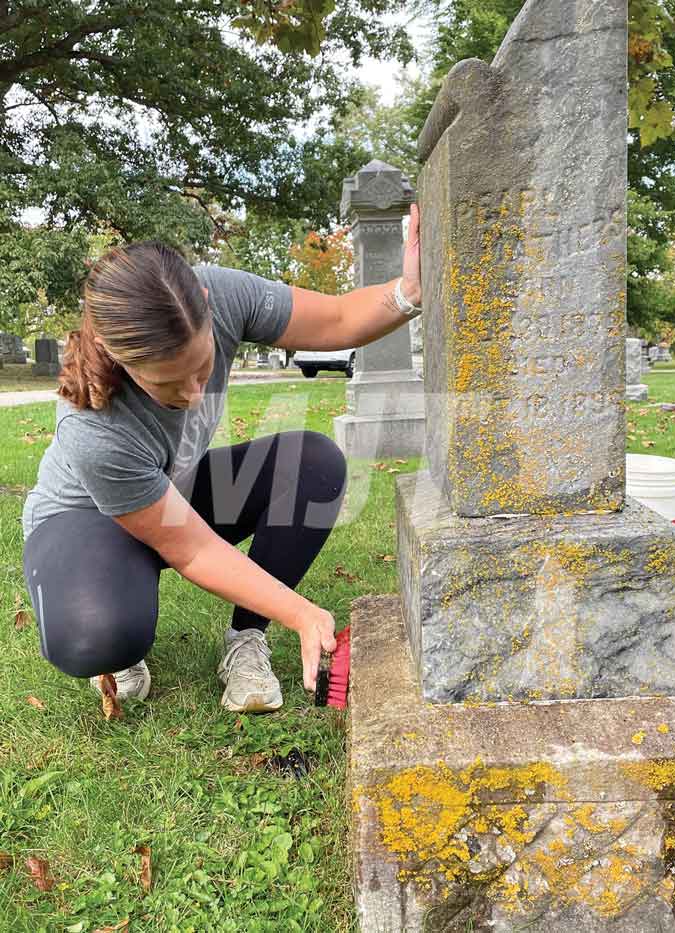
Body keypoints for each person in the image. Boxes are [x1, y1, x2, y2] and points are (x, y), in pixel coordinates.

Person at [21, 205, 423, 713]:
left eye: (202, 367)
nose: (193, 394)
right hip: (85, 520)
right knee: (98, 635)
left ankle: (244, 641)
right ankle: (114, 612)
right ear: (116, 353)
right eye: (167, 384)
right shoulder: (91, 426)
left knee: (314, 464)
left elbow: (340, 318)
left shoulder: (220, 296)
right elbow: (190, 550)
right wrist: (299, 612)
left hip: (170, 494)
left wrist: (408, 293)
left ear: (207, 306)